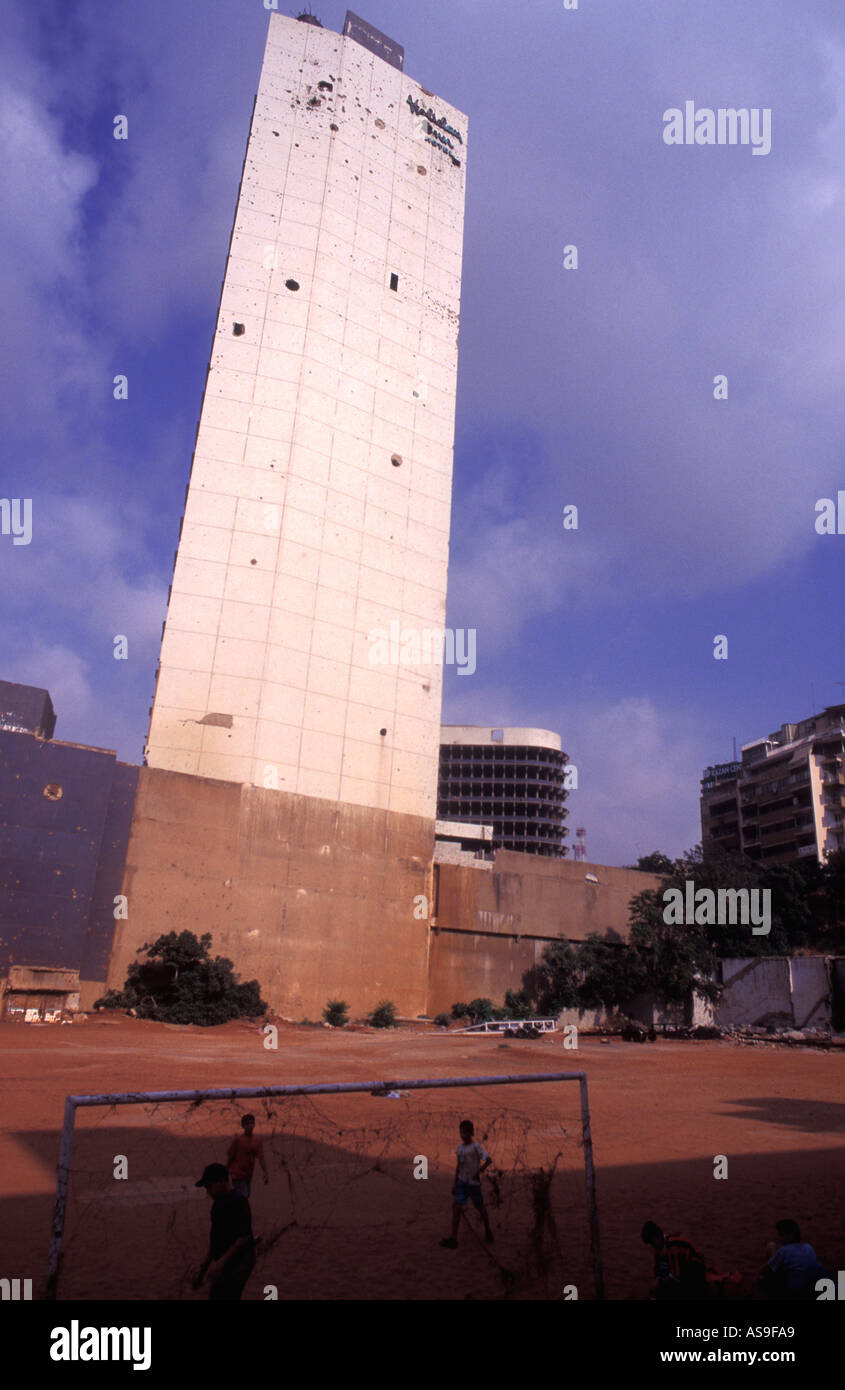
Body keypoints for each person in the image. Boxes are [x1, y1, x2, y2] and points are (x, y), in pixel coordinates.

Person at [193, 1162, 256, 1300]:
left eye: (210, 1186)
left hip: (238, 1264)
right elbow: (215, 1238)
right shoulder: (217, 1204)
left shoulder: (239, 1202)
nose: (208, 1191)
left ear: (222, 1181)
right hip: (222, 1263)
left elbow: (244, 1237)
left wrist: (220, 1263)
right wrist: (204, 1268)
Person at [439, 1119, 494, 1249]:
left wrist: (478, 1172)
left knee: (480, 1207)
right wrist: (455, 1183)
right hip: (462, 1182)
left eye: (465, 1132)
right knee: (456, 1209)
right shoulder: (460, 1148)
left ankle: (487, 1229)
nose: (462, 1135)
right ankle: (453, 1238)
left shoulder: (476, 1147)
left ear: (471, 1133)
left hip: (473, 1184)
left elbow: (488, 1160)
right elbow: (458, 1166)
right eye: (461, 1132)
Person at [760, 1220, 829, 1300]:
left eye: (781, 1235)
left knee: (771, 1248)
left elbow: (767, 1270)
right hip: (815, 1288)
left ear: (790, 1236)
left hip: (796, 1292)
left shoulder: (784, 1250)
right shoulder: (808, 1247)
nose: (779, 1238)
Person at [641, 1221, 710, 1299]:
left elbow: (675, 1275)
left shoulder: (672, 1246)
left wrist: (660, 1283)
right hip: (684, 1271)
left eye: (652, 1242)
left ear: (657, 1236)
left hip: (695, 1273)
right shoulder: (661, 1247)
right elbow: (659, 1270)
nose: (652, 1246)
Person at [226, 1113, 269, 1198]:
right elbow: (231, 1157)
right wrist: (226, 1170)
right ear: (243, 1126)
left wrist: (265, 1172)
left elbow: (261, 1157)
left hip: (248, 1175)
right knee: (242, 1197)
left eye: (251, 1123)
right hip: (237, 1175)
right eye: (247, 1124)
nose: (250, 1126)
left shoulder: (257, 1141)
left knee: (245, 1196)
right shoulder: (238, 1140)